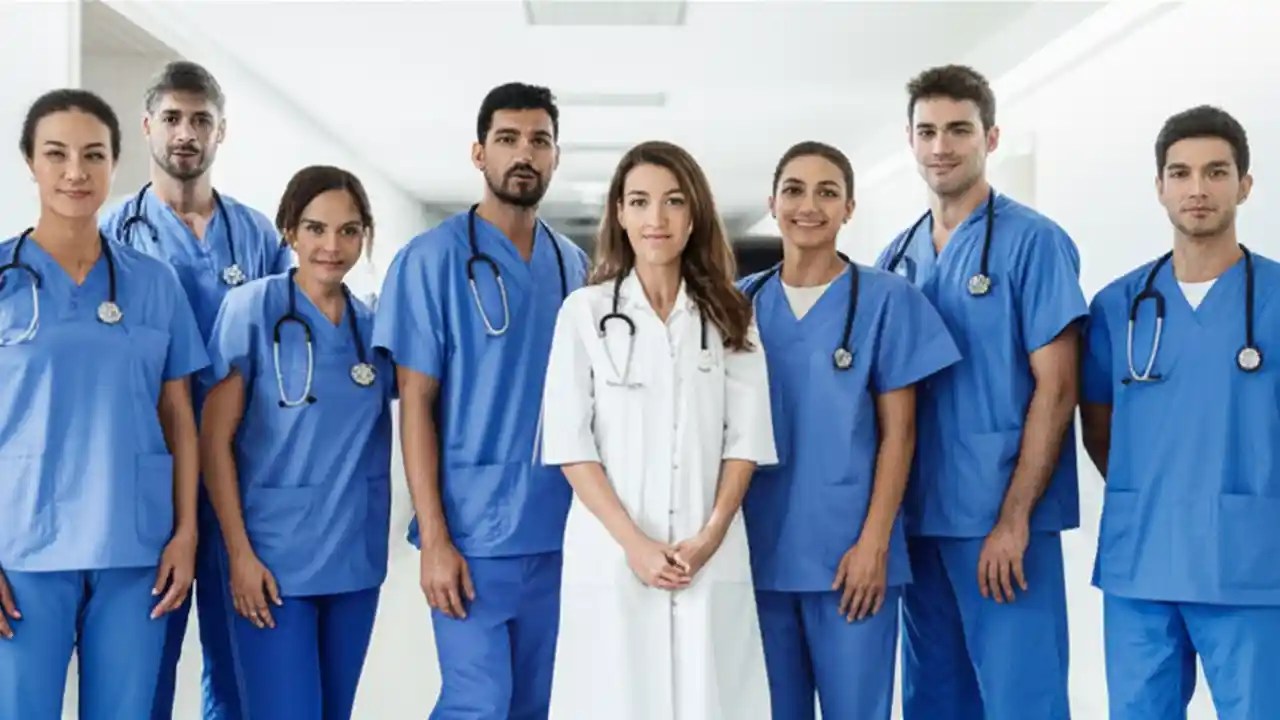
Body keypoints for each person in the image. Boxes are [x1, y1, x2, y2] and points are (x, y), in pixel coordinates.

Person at [873, 64, 1086, 720]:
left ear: (990, 138)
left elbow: (1058, 389)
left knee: (1023, 700)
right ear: (909, 140)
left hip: (1002, 522)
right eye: (927, 131)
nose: (941, 146)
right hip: (920, 523)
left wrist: (1014, 519)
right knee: (933, 700)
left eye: (959, 130)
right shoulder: (896, 257)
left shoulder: (1034, 243)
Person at [372, 82, 589, 719]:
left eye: (540, 141)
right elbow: (415, 403)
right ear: (479, 153)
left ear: (555, 157)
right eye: (508, 139)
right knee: (479, 703)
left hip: (559, 529)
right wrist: (436, 537)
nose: (525, 153)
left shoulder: (573, 267)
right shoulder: (430, 261)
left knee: (534, 706)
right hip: (471, 533)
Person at [541, 140, 777, 719]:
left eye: (673, 201)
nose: (657, 218)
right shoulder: (584, 313)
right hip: (613, 550)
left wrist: (709, 537)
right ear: (619, 213)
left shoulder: (730, 314)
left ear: (694, 214)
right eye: (640, 201)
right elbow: (571, 444)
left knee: (709, 698)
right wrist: (635, 544)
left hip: (706, 549)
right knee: (615, 698)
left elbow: (745, 440)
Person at [0, 90, 207, 718]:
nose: (75, 172)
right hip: (21, 549)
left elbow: (179, 417)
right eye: (56, 154)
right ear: (29, 162)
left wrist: (186, 532)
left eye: (93, 155)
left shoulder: (154, 283)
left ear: (115, 163)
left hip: (133, 547)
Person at [99, 60, 293, 720]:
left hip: (242, 476)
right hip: (150, 477)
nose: (186, 133)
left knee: (240, 663)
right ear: (148, 126)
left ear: (221, 132)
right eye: (173, 118)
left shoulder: (258, 236)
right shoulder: (112, 236)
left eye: (201, 120)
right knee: (143, 665)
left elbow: (285, 341)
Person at [740, 141, 961, 719]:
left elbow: (900, 435)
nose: (808, 206)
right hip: (756, 554)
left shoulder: (887, 300)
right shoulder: (740, 306)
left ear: (849, 208)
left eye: (827, 192)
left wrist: (874, 545)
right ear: (772, 203)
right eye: (794, 190)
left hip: (851, 560)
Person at [1081, 105, 1280, 720]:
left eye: (1217, 172)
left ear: (1244, 185)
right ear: (1160, 186)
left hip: (1248, 565)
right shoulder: (1117, 306)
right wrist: (1157, 496)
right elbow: (1098, 425)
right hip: (1141, 565)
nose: (1198, 188)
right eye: (1181, 173)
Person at [198, 165, 392, 719]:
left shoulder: (373, 328)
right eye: (315, 228)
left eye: (349, 231)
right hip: (271, 560)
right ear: (289, 231)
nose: (332, 246)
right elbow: (214, 441)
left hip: (353, 561)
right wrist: (238, 554)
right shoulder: (252, 309)